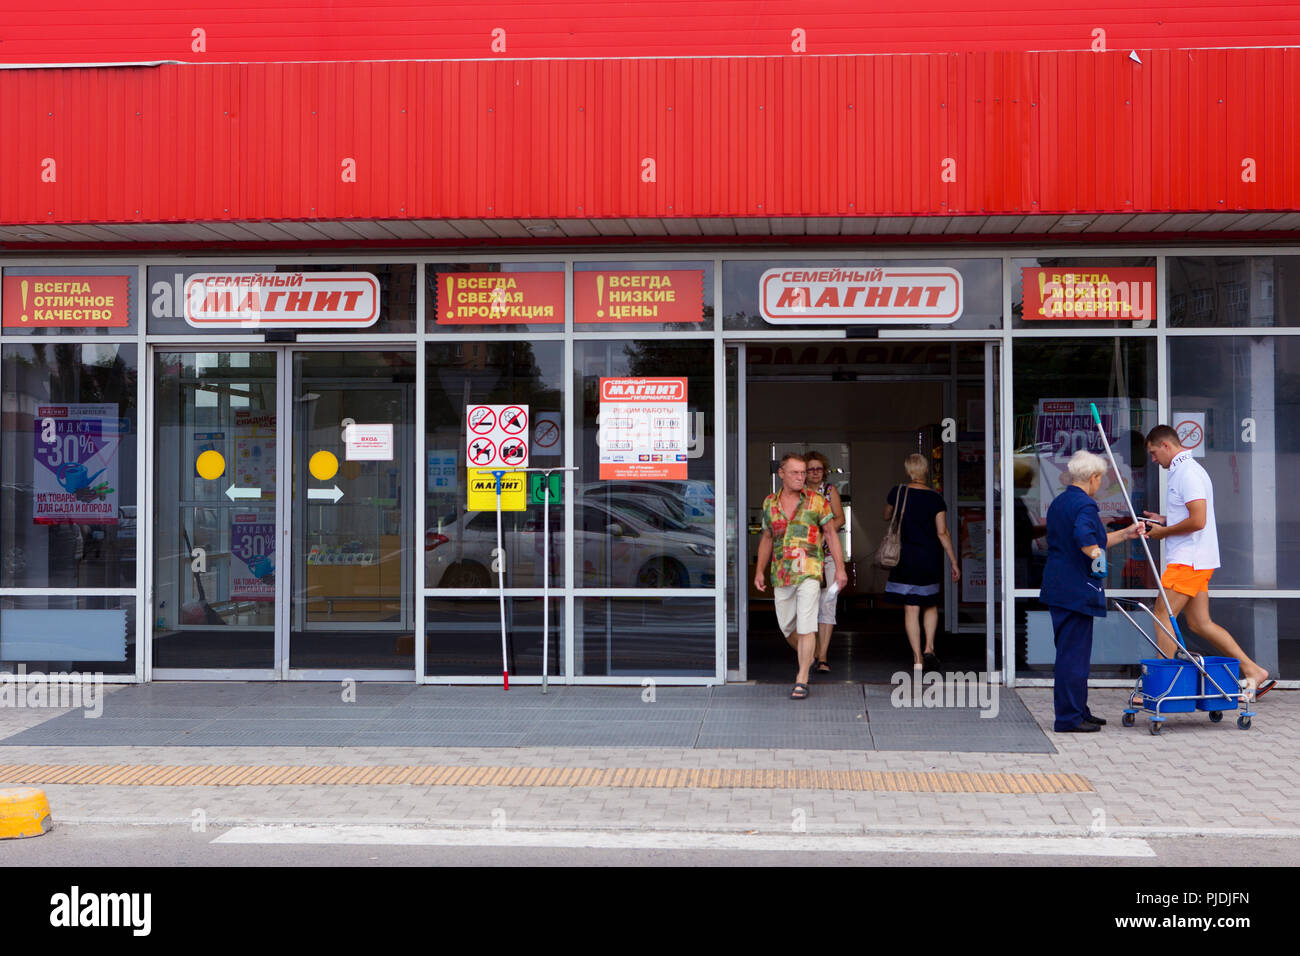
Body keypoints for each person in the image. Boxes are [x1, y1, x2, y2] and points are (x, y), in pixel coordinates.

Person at [1142, 425, 1274, 697]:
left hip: (1188, 561)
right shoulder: (1189, 469)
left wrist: (1163, 532)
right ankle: (1253, 669)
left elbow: (1198, 520)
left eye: (1154, 453)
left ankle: (1167, 689)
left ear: (1166, 446)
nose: (1154, 460)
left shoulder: (1186, 473)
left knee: (1163, 616)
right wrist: (1166, 520)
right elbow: (1193, 515)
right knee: (1200, 624)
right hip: (1197, 560)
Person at [1040, 450, 1144, 732]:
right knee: (1073, 656)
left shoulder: (1062, 501)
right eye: (1101, 478)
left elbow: (1091, 537)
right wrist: (1098, 560)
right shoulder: (1086, 505)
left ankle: (1078, 711)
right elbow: (1087, 540)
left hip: (1060, 586)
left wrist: (1125, 534)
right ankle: (1069, 718)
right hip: (1075, 589)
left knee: (1070, 653)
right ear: (1094, 478)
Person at [754, 452, 848, 699]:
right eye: (795, 472)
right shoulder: (769, 503)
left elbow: (830, 533)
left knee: (807, 625)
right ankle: (811, 653)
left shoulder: (817, 501)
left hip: (810, 571)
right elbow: (766, 538)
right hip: (782, 574)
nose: (801, 477)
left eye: (803, 472)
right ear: (781, 474)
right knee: (787, 626)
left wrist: (840, 568)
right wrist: (759, 572)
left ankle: (802, 678)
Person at [881, 453, 959, 671]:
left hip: (904, 557)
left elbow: (886, 516)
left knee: (911, 608)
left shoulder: (897, 492)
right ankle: (929, 647)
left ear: (908, 472)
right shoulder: (936, 499)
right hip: (928, 557)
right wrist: (953, 561)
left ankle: (917, 659)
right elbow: (942, 533)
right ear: (926, 471)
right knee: (930, 604)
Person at [804, 450, 846, 675]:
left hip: (829, 557)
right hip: (805, 558)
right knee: (807, 605)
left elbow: (840, 518)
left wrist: (824, 530)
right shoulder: (798, 493)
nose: (815, 473)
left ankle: (822, 655)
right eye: (811, 469)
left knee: (828, 604)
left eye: (819, 469)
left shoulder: (830, 491)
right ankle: (808, 652)